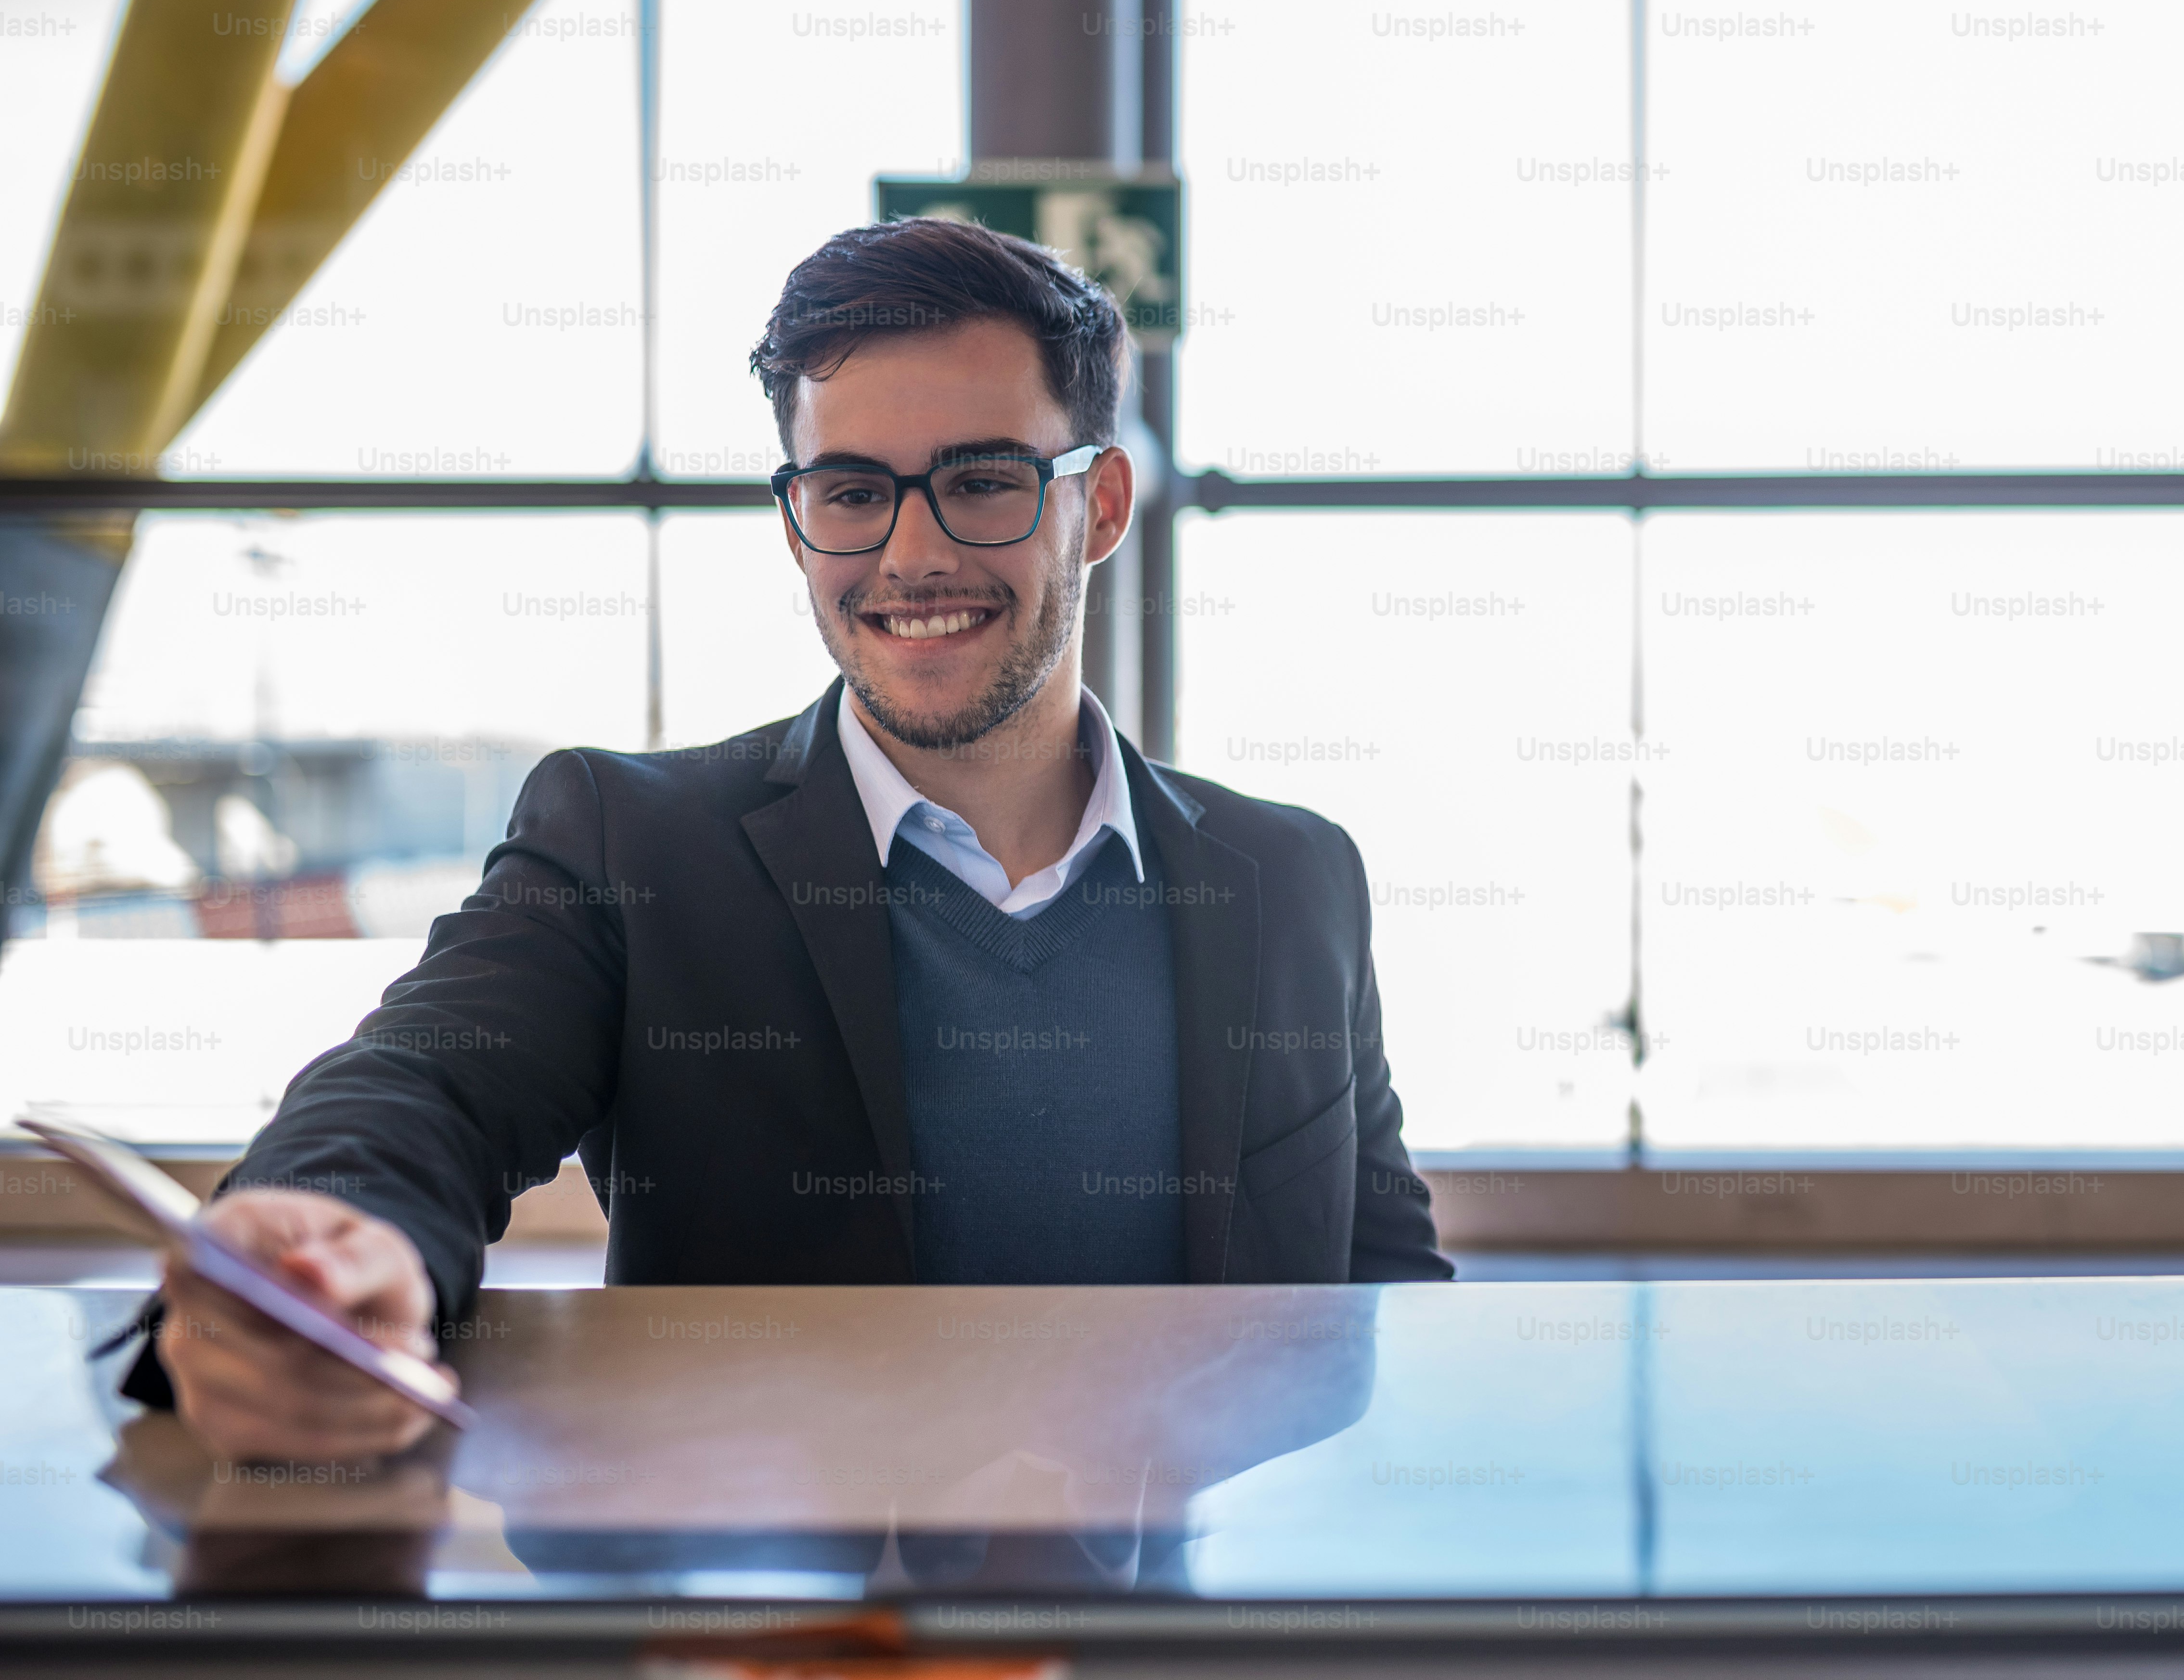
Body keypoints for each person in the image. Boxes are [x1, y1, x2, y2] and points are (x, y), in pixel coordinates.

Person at [139, 218, 1450, 1463]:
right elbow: (423, 1090)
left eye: (984, 483)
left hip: (1197, 1660)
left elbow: (1392, 1300)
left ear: (1100, 506)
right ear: (795, 518)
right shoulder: (631, 845)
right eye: (852, 491)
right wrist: (315, 1241)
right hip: (782, 1650)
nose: (911, 552)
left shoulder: (1294, 878)